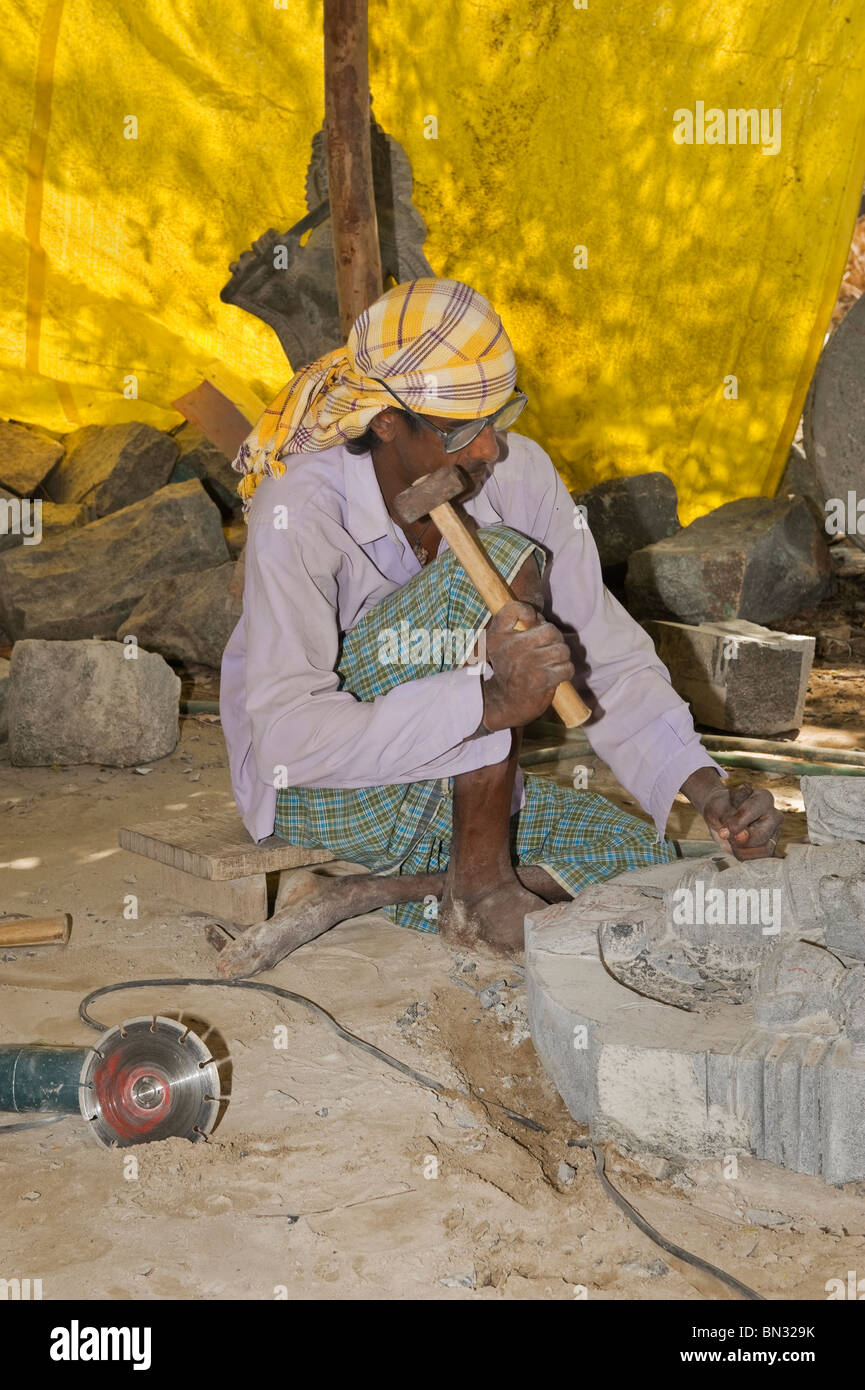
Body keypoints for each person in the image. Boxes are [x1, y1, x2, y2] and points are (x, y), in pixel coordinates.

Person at [218, 277, 782, 978]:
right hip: (326, 794)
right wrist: (486, 706)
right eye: (459, 430)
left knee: (639, 861)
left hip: (442, 793)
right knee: (491, 567)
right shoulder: (298, 511)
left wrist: (706, 789)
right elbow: (288, 740)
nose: (487, 449)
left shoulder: (520, 474)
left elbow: (603, 655)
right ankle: (481, 889)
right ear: (388, 422)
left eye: (499, 415)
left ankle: (367, 893)